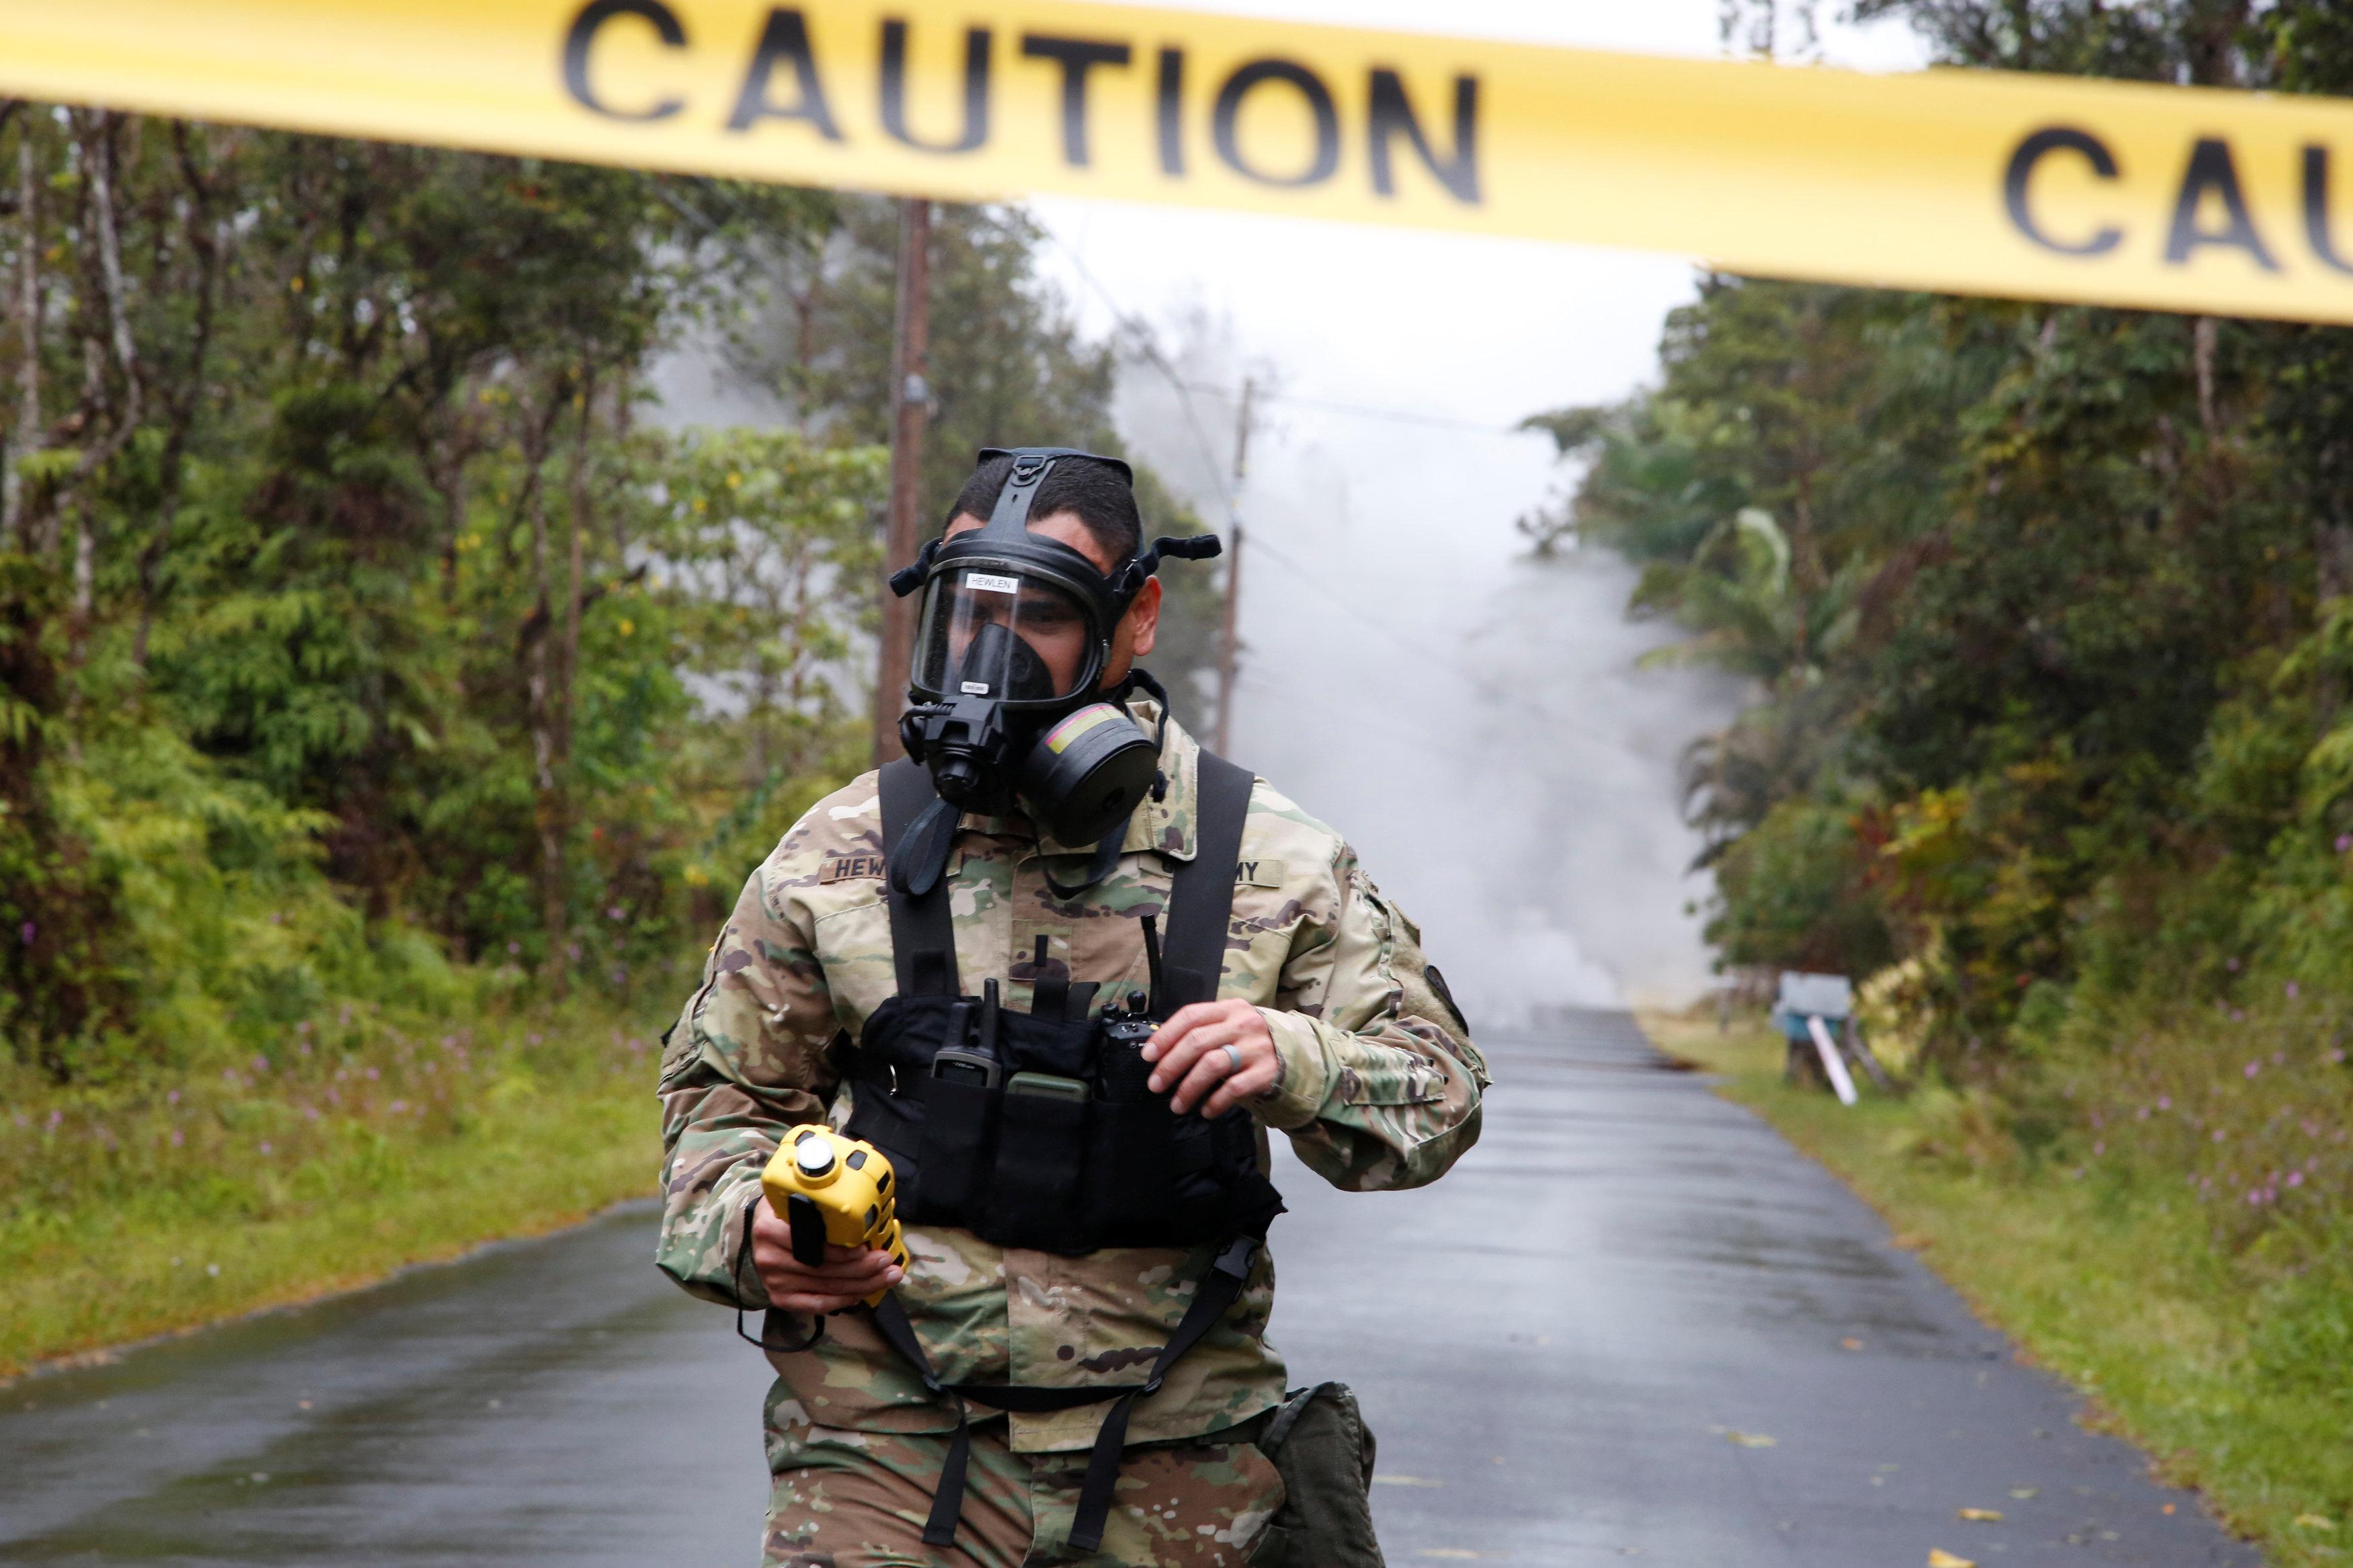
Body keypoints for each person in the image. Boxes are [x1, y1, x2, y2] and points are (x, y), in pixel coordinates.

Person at [655, 447, 1488, 1567]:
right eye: (962, 609)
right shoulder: (838, 853)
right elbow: (721, 1103)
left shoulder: (1271, 862)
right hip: (883, 1449)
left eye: (1039, 611)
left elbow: (1440, 1096)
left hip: (1176, 1459)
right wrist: (743, 1231)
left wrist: (1296, 1058)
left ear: (1136, 615)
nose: (986, 652)